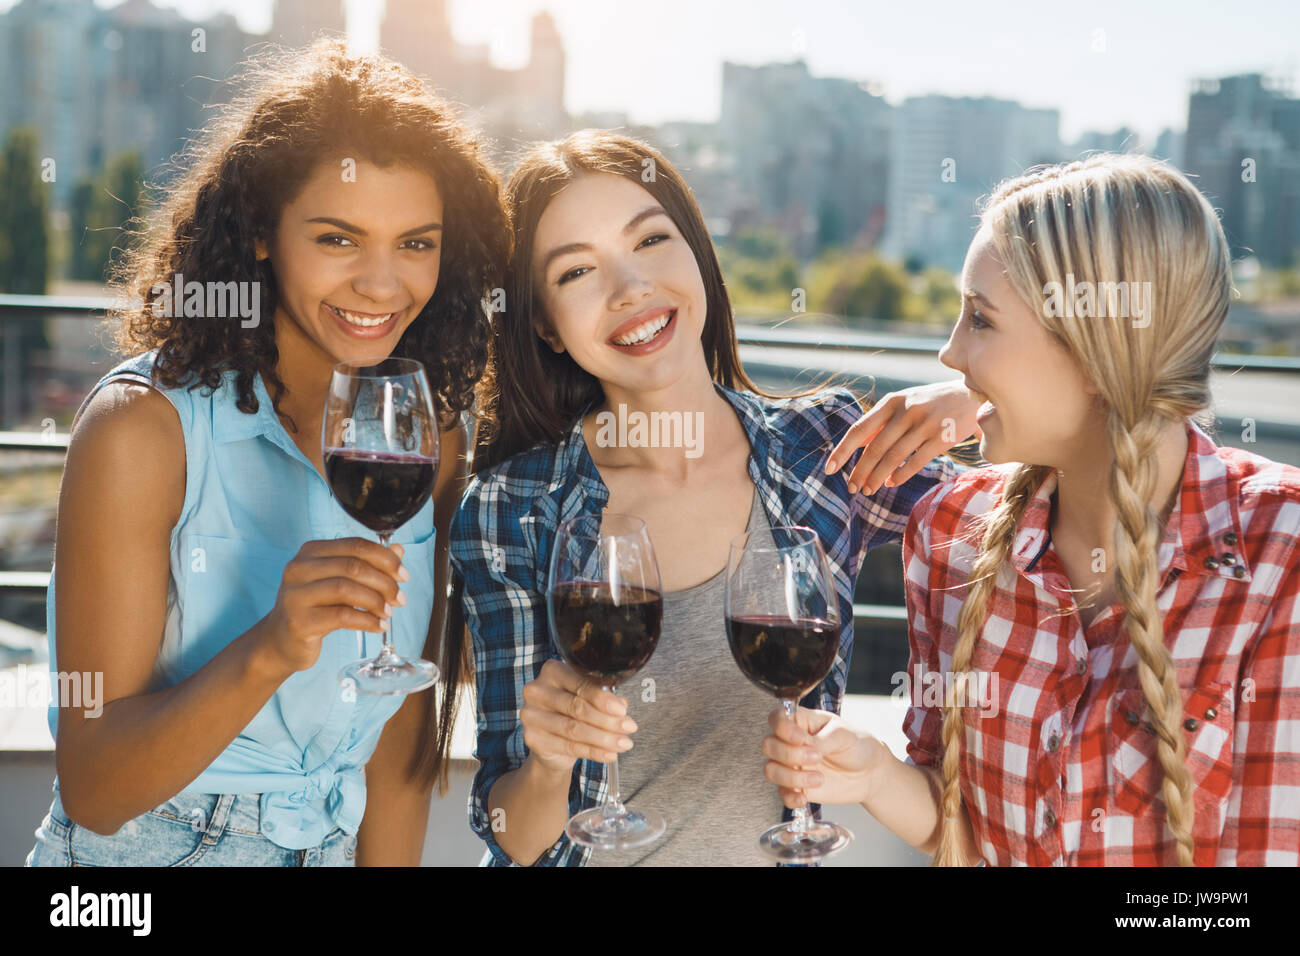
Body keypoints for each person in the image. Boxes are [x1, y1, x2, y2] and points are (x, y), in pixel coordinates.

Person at [25, 39, 508, 867]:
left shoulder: (431, 430)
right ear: (258, 235)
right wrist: (269, 648)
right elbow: (96, 789)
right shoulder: (141, 430)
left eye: (417, 244)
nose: (383, 285)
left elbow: (397, 736)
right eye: (338, 239)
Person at [445, 129, 985, 866]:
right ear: (545, 324)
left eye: (651, 241)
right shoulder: (510, 507)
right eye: (576, 273)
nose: (630, 289)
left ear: (699, 251)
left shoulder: (824, 453)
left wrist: (974, 397)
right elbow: (511, 833)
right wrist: (546, 763)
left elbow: (1043, 508)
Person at [762, 153, 1300, 866]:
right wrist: (875, 776)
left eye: (980, 321)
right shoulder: (949, 532)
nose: (949, 353)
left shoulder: (1279, 556)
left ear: (1098, 350)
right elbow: (965, 838)